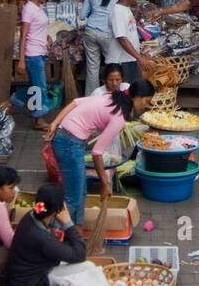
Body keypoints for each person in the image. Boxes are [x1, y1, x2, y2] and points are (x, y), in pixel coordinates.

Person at [44, 79, 155, 226]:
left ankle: (77, 233)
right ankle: (54, 236)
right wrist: (105, 183)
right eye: (147, 101)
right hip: (69, 144)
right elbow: (97, 153)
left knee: (81, 193)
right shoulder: (119, 117)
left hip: (68, 139)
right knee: (73, 198)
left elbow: (76, 102)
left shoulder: (111, 98)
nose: (146, 106)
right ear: (137, 96)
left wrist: (55, 122)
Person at [6, 181, 87, 286]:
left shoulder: (31, 215)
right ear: (58, 210)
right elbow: (80, 254)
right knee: (87, 267)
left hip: (20, 284)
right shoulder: (44, 239)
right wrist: (68, 224)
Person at [10, 0, 52, 127]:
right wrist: (21, 59)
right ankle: (39, 119)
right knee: (40, 87)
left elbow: (39, 27)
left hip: (39, 51)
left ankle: (12, 102)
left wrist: (46, 36)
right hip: (32, 53)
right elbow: (24, 35)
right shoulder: (29, 9)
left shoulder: (39, 8)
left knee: (35, 86)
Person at [105, 0, 152, 84]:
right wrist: (139, 58)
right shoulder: (117, 12)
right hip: (120, 61)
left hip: (129, 59)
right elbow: (122, 38)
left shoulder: (126, 9)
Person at [79, 0, 118, 94]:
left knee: (92, 68)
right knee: (112, 65)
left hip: (90, 31)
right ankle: (113, 95)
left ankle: (92, 98)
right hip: (107, 33)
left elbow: (82, 16)